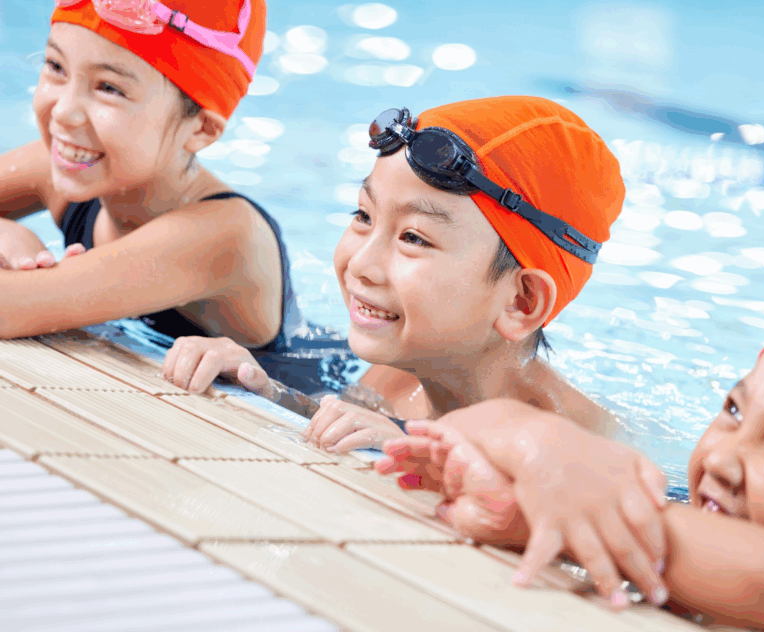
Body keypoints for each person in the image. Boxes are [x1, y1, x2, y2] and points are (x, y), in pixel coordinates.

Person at [378, 294, 764, 630]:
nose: (723, 458)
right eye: (734, 410)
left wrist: (550, 487)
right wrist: (541, 456)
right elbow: (465, 428)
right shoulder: (645, 498)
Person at [164, 96, 628, 446]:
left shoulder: (558, 442)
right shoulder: (403, 371)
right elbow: (337, 416)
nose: (361, 265)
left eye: (414, 238)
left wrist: (408, 447)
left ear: (520, 302)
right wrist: (259, 385)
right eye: (363, 216)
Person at [0, 0, 302, 353]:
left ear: (200, 129)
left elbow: (8, 307)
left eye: (109, 88)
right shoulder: (65, 164)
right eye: (55, 66)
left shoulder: (222, 236)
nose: (65, 112)